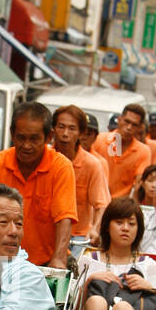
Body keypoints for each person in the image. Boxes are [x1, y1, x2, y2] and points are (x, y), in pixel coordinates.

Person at [0, 103, 76, 267]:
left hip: (46, 263)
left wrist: (58, 259)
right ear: (12, 134)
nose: (26, 145)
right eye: (21, 138)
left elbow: (64, 218)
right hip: (0, 262)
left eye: (34, 139)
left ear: (49, 137)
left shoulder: (61, 167)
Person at [82, 198, 156, 310]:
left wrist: (148, 287)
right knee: (96, 301)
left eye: (131, 224)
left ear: (139, 230)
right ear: (107, 226)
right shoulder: (89, 260)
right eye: (119, 222)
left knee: (122, 308)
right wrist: (89, 282)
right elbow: (72, 309)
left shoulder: (148, 264)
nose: (125, 228)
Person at [51, 104, 109, 242]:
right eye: (61, 127)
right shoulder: (43, 158)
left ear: (81, 133)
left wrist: (95, 229)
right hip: (45, 234)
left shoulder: (92, 164)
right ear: (53, 129)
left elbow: (102, 204)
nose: (65, 134)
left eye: (72, 128)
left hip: (77, 237)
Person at [92, 102, 152, 198]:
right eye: (126, 121)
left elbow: (138, 184)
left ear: (140, 128)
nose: (129, 127)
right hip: (95, 199)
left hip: (120, 206)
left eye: (134, 125)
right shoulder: (99, 140)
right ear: (119, 120)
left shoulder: (143, 151)